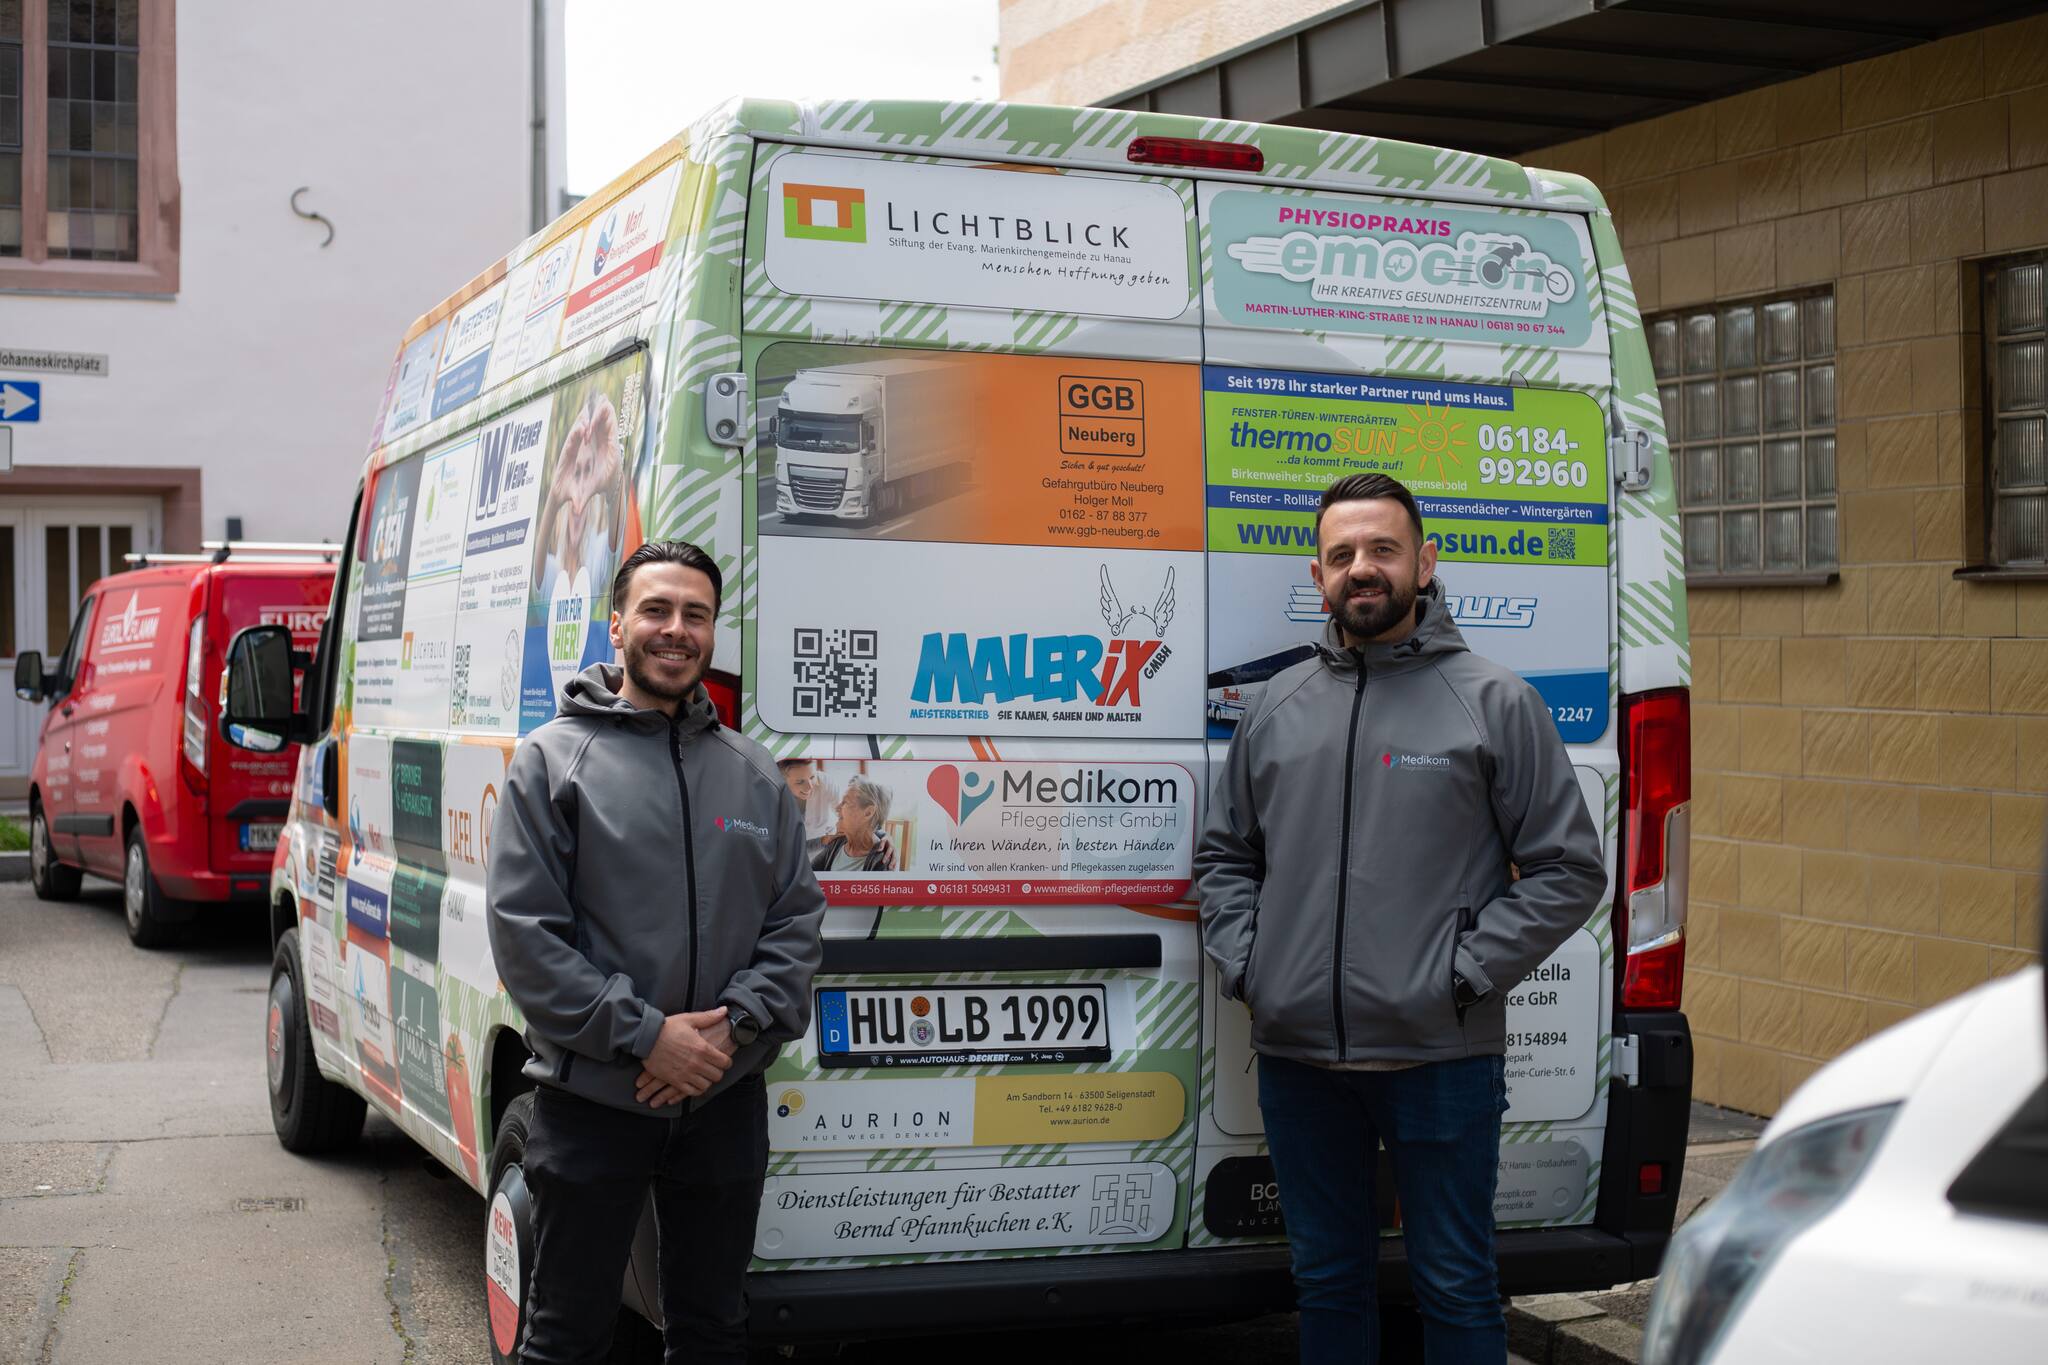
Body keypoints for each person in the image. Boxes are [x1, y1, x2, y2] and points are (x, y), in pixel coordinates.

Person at [1195, 473, 1603, 1365]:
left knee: (1455, 1285)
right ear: (1318, 575)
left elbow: (1570, 869)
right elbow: (1224, 857)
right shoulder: (1275, 705)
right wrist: (1253, 966)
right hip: (1302, 1061)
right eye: (1342, 554)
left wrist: (1459, 974)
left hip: (1440, 1060)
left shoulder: (1495, 701)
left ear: (1425, 562)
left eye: (1383, 548)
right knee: (1328, 1283)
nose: (1362, 568)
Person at [487, 538, 826, 1364]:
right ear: (618, 625)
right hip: (595, 1104)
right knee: (566, 1334)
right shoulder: (553, 763)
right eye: (657, 609)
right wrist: (649, 1036)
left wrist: (729, 1031)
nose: (676, 629)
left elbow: (797, 922)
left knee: (714, 1331)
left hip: (724, 1103)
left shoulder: (752, 773)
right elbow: (527, 938)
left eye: (696, 614)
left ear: (712, 632)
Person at [808, 775, 895, 871]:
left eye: (845, 802)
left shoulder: (883, 862)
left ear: (868, 812)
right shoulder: (837, 844)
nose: (837, 808)